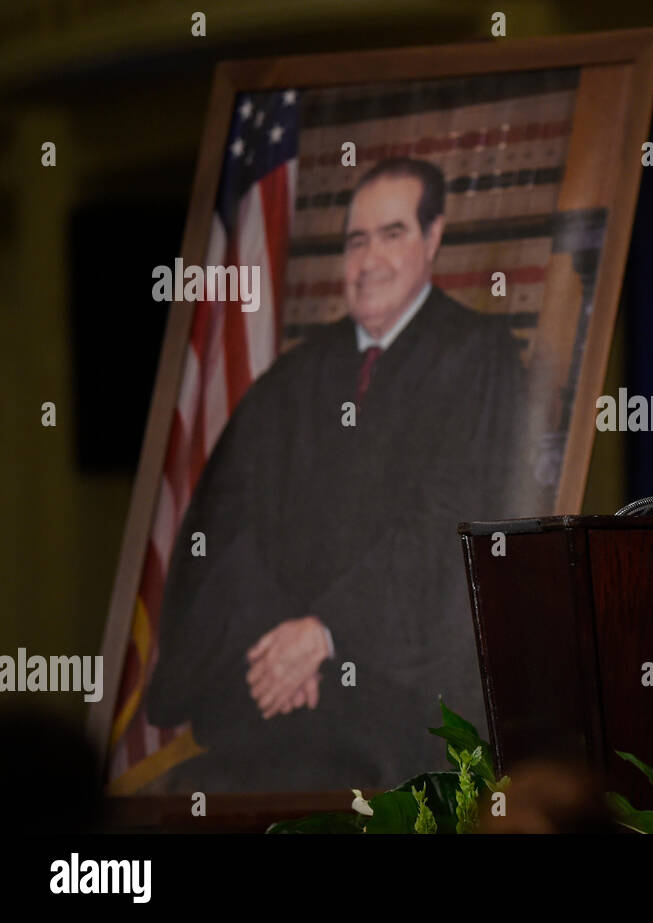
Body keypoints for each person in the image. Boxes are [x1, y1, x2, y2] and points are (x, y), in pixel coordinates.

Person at [145, 158, 537, 791]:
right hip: (276, 697)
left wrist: (327, 634)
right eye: (357, 240)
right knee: (189, 796)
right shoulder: (294, 380)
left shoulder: (477, 357)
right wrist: (280, 651)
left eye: (393, 233)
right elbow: (224, 530)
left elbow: (452, 527)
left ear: (433, 238)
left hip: (402, 704)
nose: (369, 259)